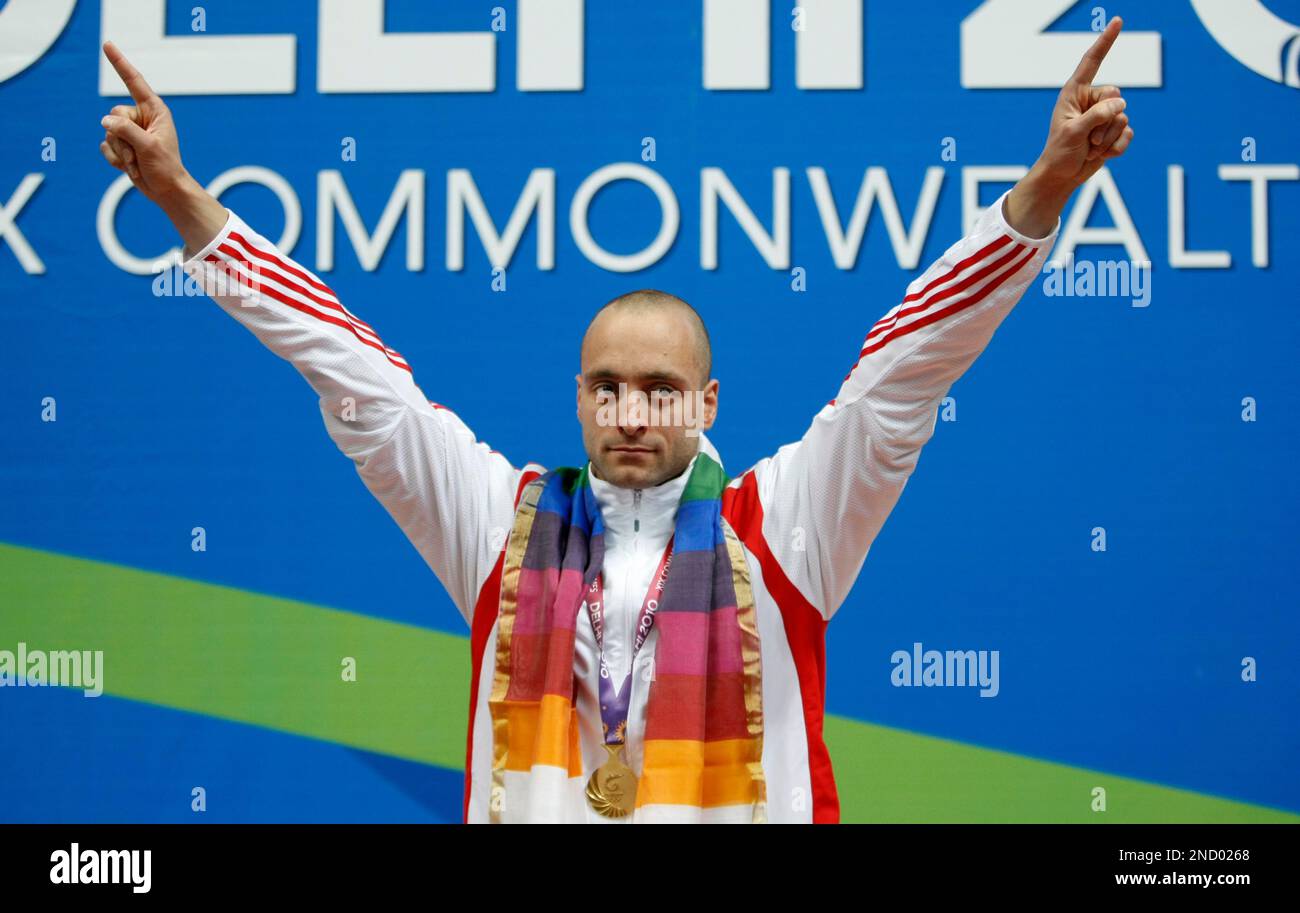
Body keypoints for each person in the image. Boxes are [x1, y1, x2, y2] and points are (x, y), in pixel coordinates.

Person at [97, 18, 1134, 824]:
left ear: (709, 402)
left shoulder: (786, 524)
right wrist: (185, 200)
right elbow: (356, 375)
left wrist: (1044, 187)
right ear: (578, 396)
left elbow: (906, 368)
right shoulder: (499, 524)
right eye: (606, 386)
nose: (630, 411)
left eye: (659, 386)